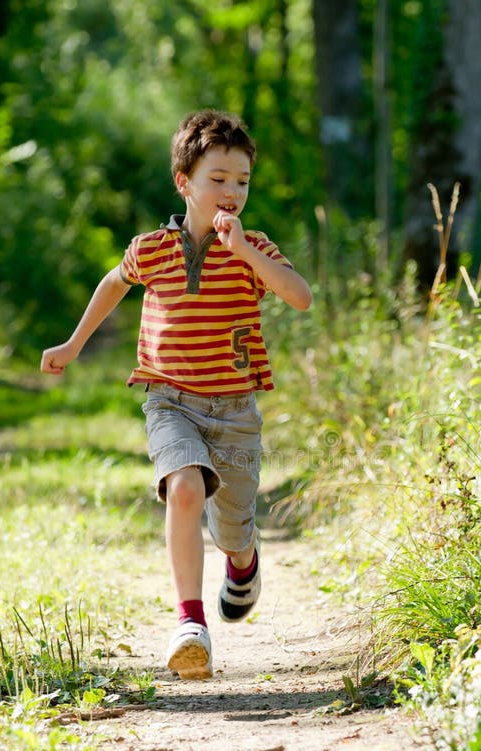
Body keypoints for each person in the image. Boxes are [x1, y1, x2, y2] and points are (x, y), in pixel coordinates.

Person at [40, 109, 312, 680]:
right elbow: (113, 283)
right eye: (219, 179)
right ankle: (191, 625)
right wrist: (72, 344)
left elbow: (300, 296)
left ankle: (243, 561)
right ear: (184, 182)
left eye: (242, 181)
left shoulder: (254, 248)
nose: (232, 192)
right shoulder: (152, 249)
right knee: (184, 488)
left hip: (235, 411)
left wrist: (245, 251)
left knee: (232, 528)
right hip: (170, 401)